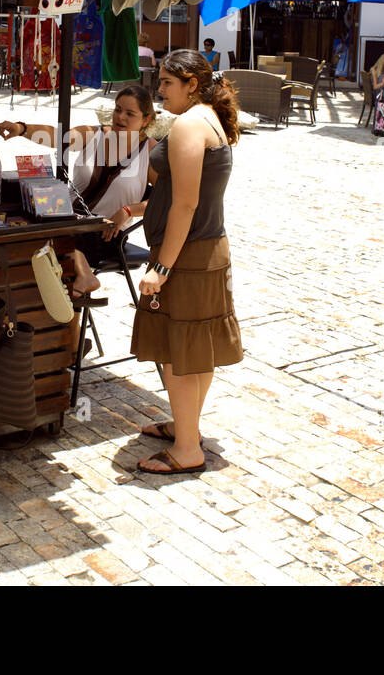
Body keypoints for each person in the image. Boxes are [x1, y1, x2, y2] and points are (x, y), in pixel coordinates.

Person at [127, 49, 242, 475]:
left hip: (188, 256)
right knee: (197, 348)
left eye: (167, 82)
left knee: (179, 352)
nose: (159, 89)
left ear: (192, 84)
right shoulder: (209, 119)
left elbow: (186, 204)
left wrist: (161, 267)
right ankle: (185, 427)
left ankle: (188, 449)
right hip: (206, 250)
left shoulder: (191, 126)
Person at [0, 84, 157, 297]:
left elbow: (165, 199)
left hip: (106, 234)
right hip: (64, 219)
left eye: (130, 113)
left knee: (47, 243)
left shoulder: (151, 151)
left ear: (146, 120)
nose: (120, 117)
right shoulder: (94, 134)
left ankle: (79, 285)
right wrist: (22, 129)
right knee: (21, 230)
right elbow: (57, 136)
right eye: (118, 109)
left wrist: (129, 210)